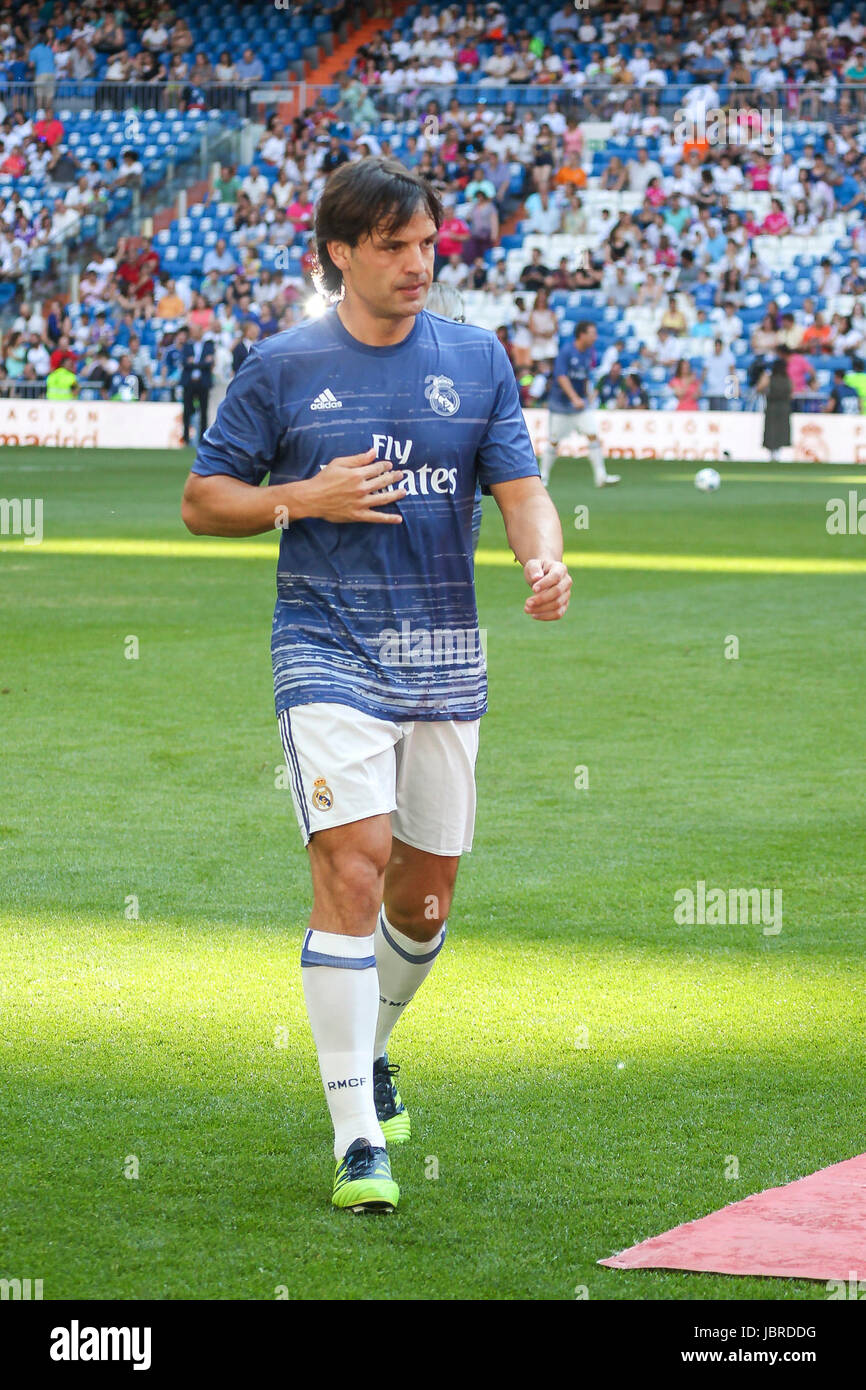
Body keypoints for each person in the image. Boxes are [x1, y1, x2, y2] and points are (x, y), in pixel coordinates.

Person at [180, 157, 571, 1215]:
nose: (416, 263)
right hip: (326, 647)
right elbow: (203, 500)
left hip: (443, 654)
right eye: (393, 245)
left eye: (426, 244)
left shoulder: (475, 358)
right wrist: (301, 496)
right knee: (352, 868)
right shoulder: (282, 366)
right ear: (340, 252)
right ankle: (356, 1139)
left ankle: (373, 1046)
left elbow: (521, 490)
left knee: (423, 898)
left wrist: (543, 555)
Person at [541, 321, 620, 489]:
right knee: (554, 440)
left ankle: (601, 476)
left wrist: (586, 394)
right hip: (561, 405)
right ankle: (543, 477)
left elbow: (584, 375)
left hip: (580, 405)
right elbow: (561, 377)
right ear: (582, 335)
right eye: (592, 334)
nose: (595, 337)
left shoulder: (589, 352)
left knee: (592, 434)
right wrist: (574, 398)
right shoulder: (566, 351)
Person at [180, 324, 215, 444]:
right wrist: (202, 363)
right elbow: (184, 363)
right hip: (189, 382)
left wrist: (194, 363)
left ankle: (203, 437)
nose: (194, 333)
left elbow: (209, 363)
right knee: (187, 410)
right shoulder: (187, 346)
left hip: (202, 382)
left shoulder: (208, 346)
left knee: (204, 411)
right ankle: (186, 437)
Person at [759, 354, 792, 461]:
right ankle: (777, 452)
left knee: (772, 430)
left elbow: (759, 388)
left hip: (772, 407)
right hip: (784, 407)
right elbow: (791, 393)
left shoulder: (769, 377)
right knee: (781, 430)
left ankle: (772, 453)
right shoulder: (787, 379)